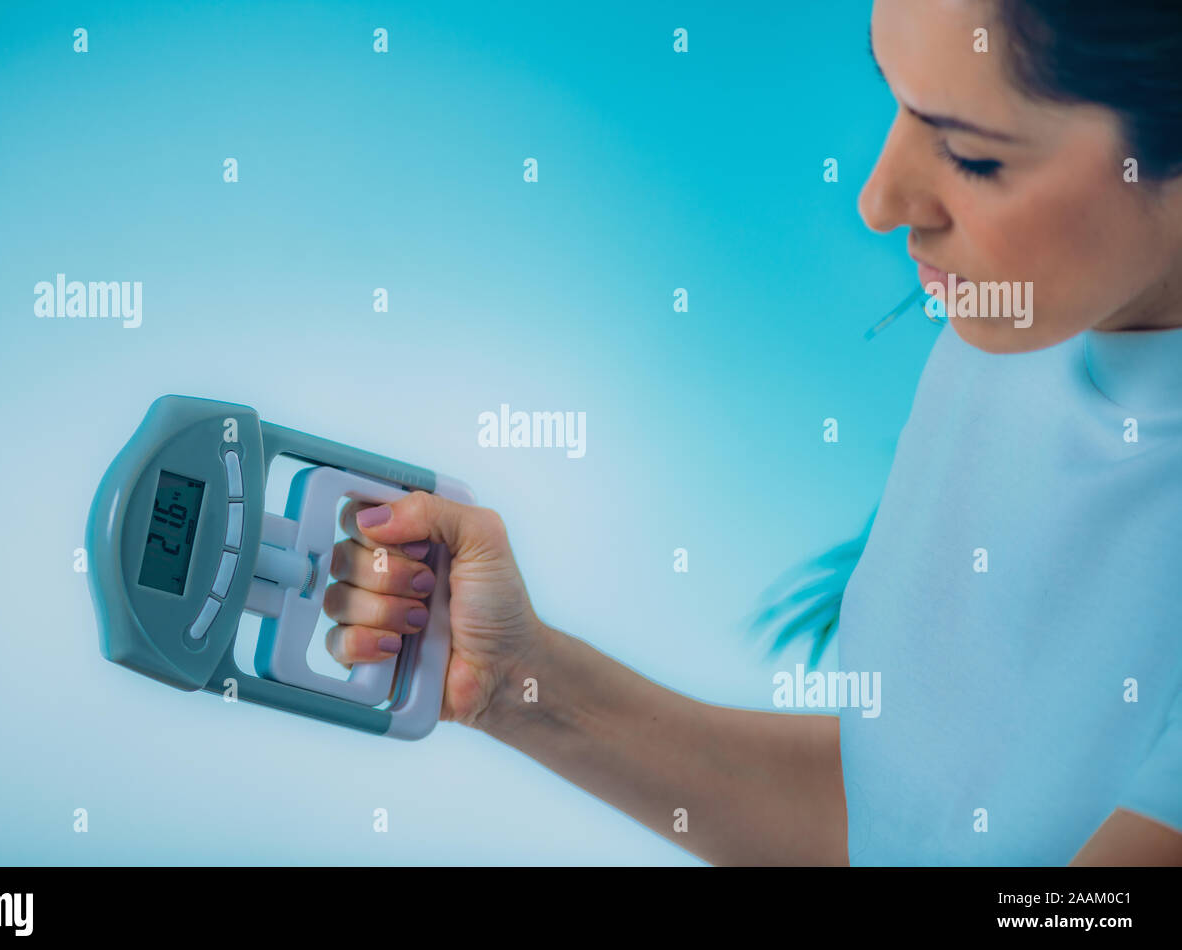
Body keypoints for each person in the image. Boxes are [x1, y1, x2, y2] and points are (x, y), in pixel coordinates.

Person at [321, 0, 1182, 865]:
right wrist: (514, 684)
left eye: (972, 154)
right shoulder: (1015, 330)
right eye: (899, 97)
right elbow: (912, 823)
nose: (880, 200)